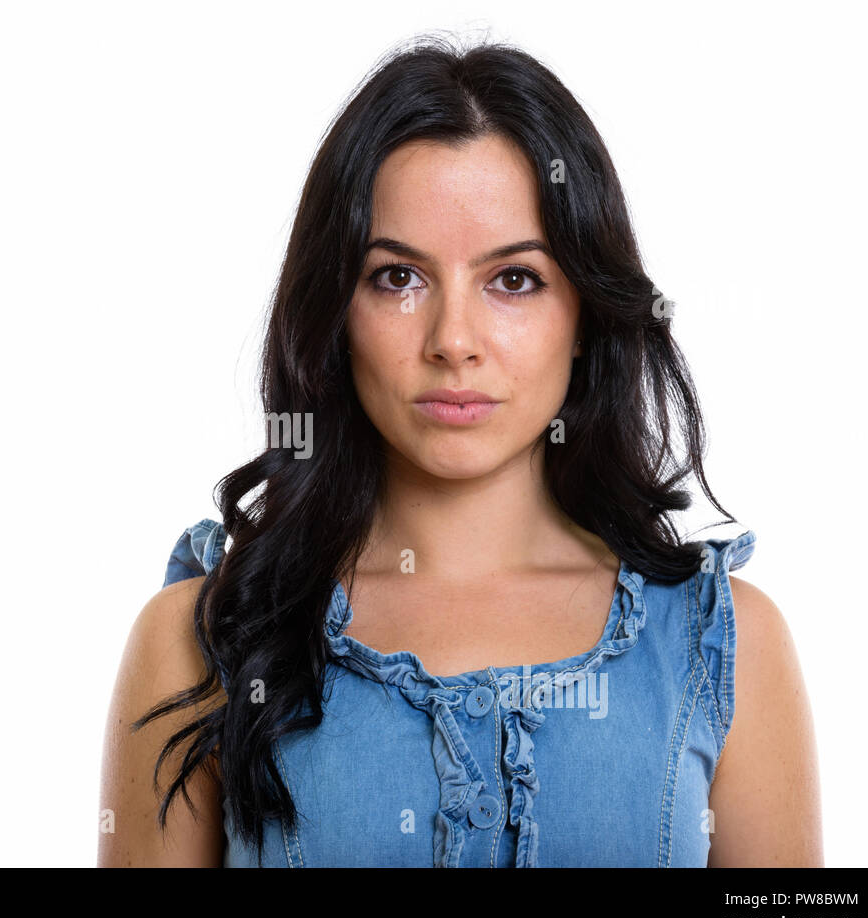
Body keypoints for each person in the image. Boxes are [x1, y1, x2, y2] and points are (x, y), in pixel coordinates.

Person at [99, 35, 821, 867]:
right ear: (335, 309)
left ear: (585, 312)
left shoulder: (723, 647)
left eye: (513, 279)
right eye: (397, 278)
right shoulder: (200, 642)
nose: (453, 340)